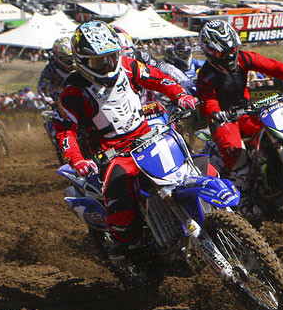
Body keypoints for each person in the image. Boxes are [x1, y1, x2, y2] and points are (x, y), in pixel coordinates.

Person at [55, 21, 196, 248]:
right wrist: (77, 159)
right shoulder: (73, 92)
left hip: (148, 135)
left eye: (111, 57)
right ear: (82, 62)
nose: (108, 65)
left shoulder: (129, 66)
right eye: (99, 61)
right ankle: (128, 249)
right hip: (113, 153)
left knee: (190, 162)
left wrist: (180, 94)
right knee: (121, 208)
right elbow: (64, 131)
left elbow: (159, 79)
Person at [195, 19, 283, 188]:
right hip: (223, 119)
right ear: (209, 52)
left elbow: (272, 66)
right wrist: (216, 112)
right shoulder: (206, 74)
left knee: (279, 132)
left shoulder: (243, 58)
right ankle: (243, 199)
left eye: (232, 49)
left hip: (247, 111)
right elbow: (208, 100)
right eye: (223, 53)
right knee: (238, 160)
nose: (229, 55)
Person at [37, 37, 75, 102]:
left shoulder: (80, 64)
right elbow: (41, 87)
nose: (72, 62)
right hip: (58, 100)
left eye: (73, 57)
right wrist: (48, 100)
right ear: (57, 57)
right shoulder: (50, 69)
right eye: (67, 59)